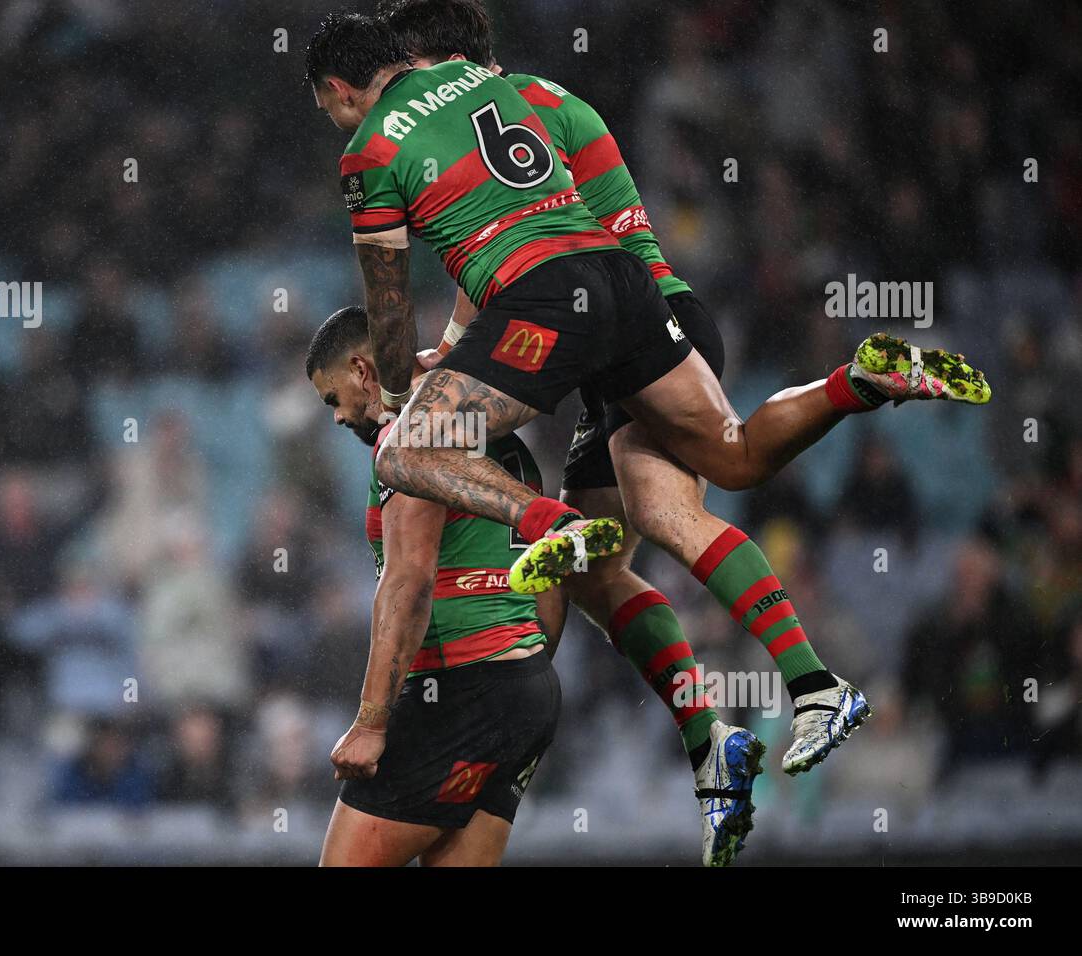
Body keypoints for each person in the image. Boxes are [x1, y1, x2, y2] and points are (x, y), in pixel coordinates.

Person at [373, 0, 863, 858]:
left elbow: (526, 257)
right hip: (626, 321)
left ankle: (807, 685)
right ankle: (722, 737)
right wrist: (452, 351)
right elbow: (497, 255)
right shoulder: (554, 103)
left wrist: (446, 371)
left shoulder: (474, 124)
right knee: (603, 571)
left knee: (678, 504)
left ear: (429, 61)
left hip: (622, 323)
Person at [303, 12, 990, 607]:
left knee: (410, 448)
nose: (335, 124)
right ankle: (859, 381)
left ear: (338, 90)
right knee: (736, 456)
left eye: (327, 110)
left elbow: (387, 301)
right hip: (624, 279)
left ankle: (551, 524)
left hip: (541, 299)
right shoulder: (494, 85)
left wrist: (396, 394)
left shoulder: (368, 152)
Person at [307, 306, 645, 865]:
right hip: (525, 688)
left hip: (459, 686)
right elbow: (547, 582)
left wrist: (371, 721)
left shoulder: (407, 438)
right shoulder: (500, 439)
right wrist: (523, 674)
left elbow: (408, 581)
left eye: (332, 399)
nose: (338, 418)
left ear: (363, 369)